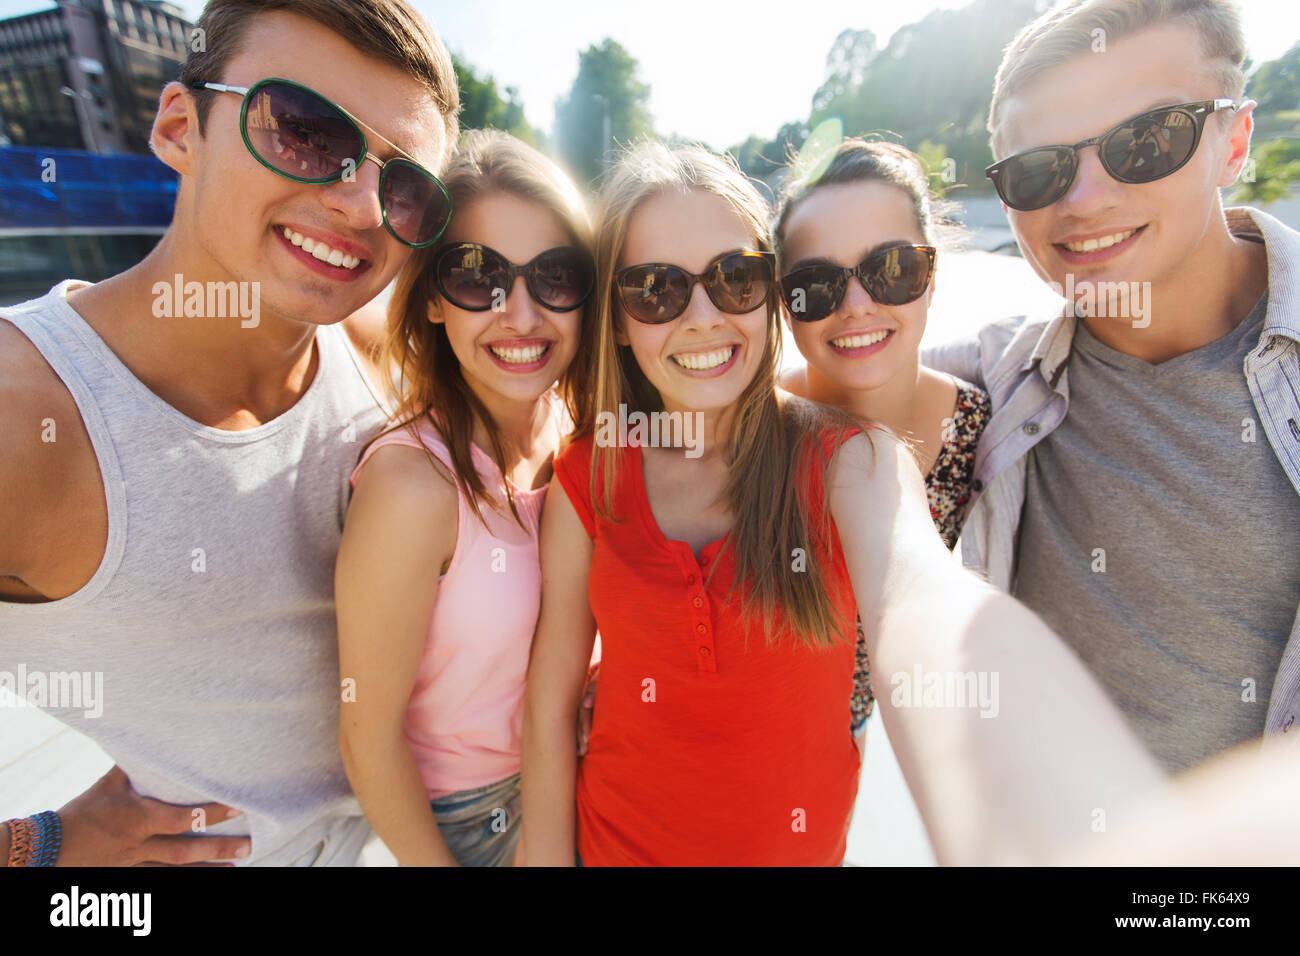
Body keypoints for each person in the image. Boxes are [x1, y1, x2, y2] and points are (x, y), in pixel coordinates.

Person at [521, 142, 1164, 867]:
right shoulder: (589, 474)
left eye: (735, 279)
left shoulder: (851, 459)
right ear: (615, 319)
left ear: (767, 294)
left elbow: (922, 597)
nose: (702, 317)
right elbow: (550, 707)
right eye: (655, 290)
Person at [0, 0, 459, 866]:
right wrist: (42, 843)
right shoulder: (28, 415)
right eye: (304, 131)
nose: (361, 204)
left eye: (406, 188)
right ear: (180, 127)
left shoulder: (371, 355)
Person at [926, 0, 1300, 773]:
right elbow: (795, 398)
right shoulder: (994, 381)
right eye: (1039, 169)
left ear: (1233, 141)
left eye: (1146, 141)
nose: (1084, 199)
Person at [335, 130, 594, 867]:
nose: (520, 313)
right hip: (473, 814)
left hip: (583, 766)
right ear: (434, 303)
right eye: (478, 276)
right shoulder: (412, 487)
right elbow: (367, 736)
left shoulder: (581, 435)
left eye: (556, 275)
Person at [773, 138, 990, 749]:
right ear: (783, 306)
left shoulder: (987, 437)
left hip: (840, 748)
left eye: (893, 269)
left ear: (932, 275)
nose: (857, 306)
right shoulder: (748, 429)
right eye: (815, 284)